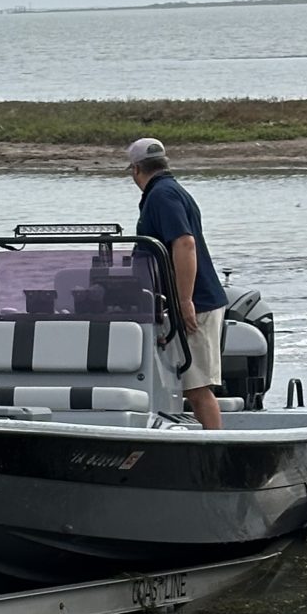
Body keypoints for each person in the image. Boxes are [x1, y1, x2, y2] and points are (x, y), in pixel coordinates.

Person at [126, 137, 227, 430]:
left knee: (197, 387)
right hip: (179, 301)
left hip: (197, 301)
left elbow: (184, 244)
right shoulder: (169, 191)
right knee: (185, 383)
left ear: (135, 169)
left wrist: (185, 301)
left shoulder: (163, 195)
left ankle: (217, 451)